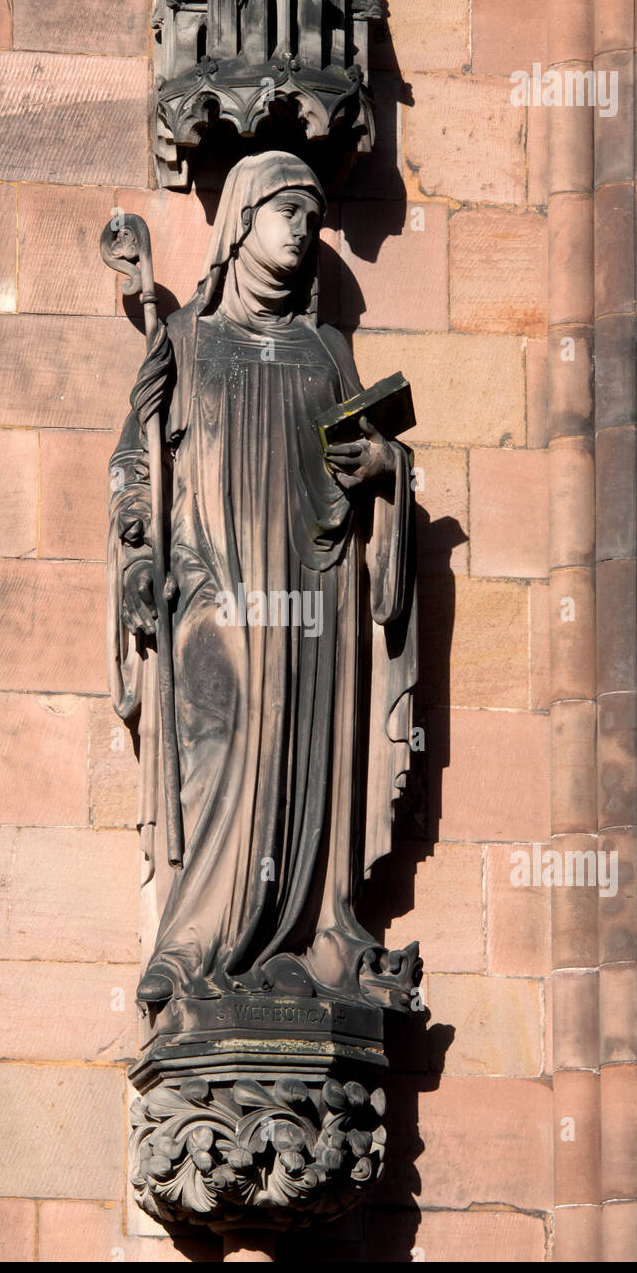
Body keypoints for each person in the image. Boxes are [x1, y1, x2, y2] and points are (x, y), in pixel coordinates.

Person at [107, 151, 417, 1008]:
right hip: (215, 594)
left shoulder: (325, 352)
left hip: (315, 599)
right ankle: (196, 943)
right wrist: (140, 554)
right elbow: (138, 466)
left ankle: (317, 928)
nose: (304, 228)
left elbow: (378, 455)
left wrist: (383, 469)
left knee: (302, 760)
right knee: (223, 739)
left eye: (313, 216)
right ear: (241, 220)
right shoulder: (185, 341)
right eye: (288, 210)